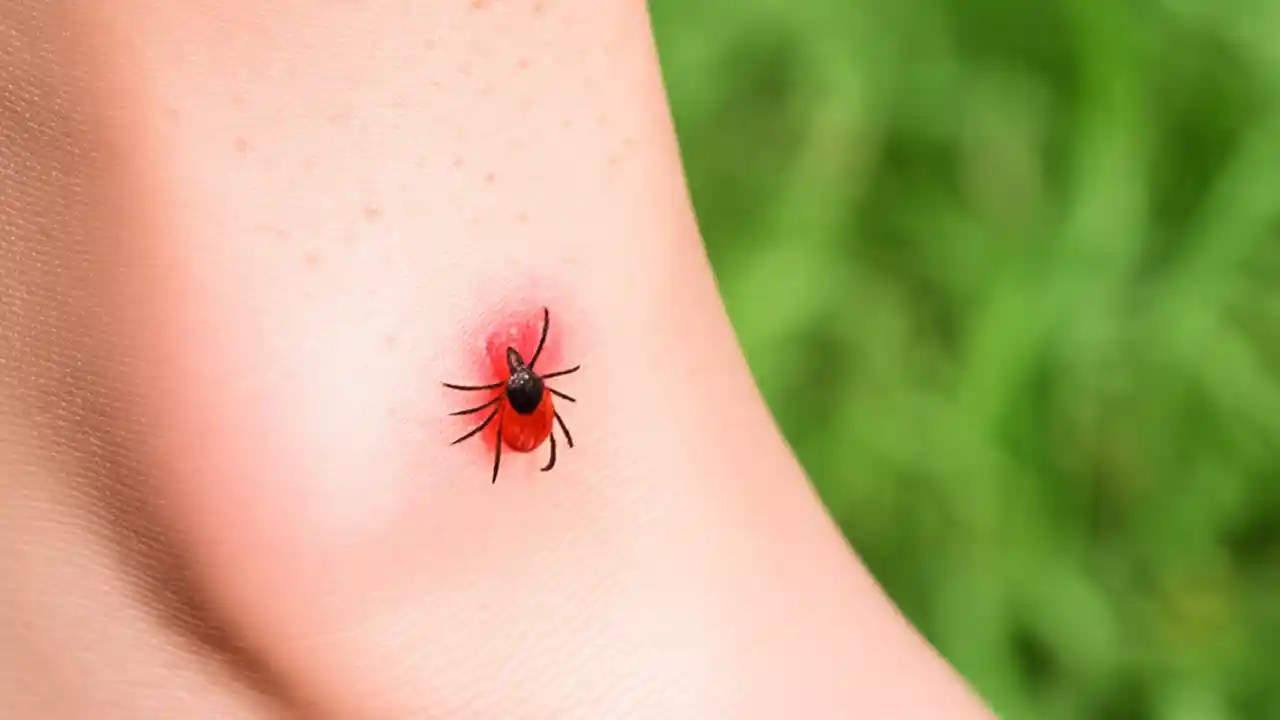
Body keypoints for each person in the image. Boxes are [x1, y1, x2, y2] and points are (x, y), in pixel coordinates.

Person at [0, 1, 995, 717]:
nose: (519, 382)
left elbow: (513, 416)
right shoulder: (521, 405)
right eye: (518, 377)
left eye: (519, 379)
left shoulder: (509, 401)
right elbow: (524, 420)